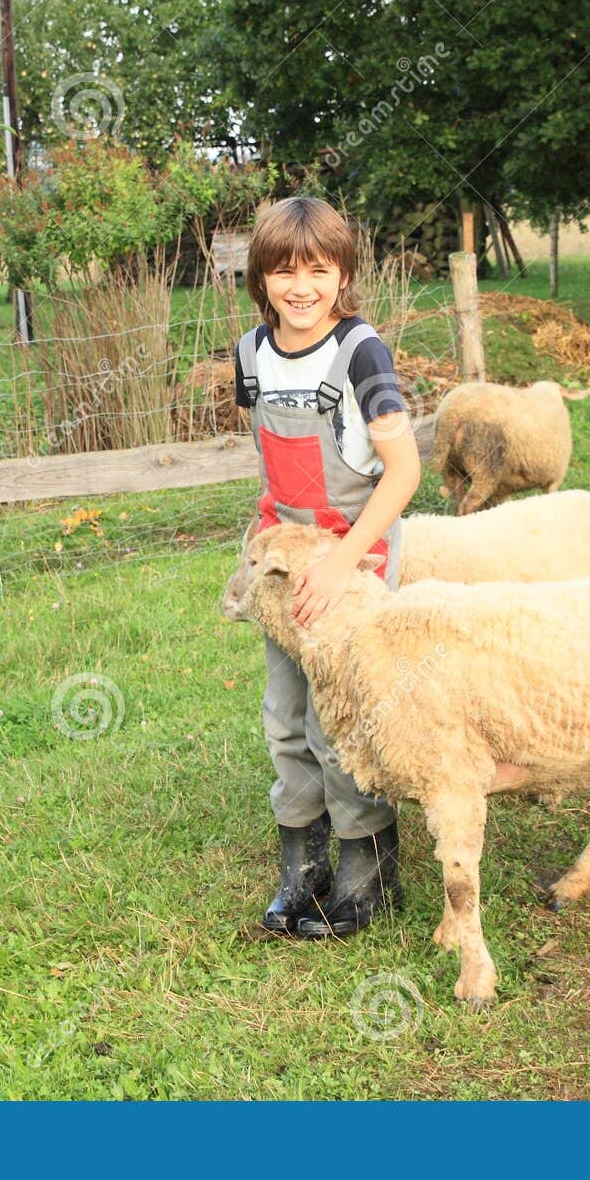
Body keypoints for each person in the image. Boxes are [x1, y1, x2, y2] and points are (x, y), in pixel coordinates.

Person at [231, 197, 422, 938]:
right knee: (285, 718)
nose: (300, 286)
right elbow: (271, 456)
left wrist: (343, 563)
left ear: (343, 275)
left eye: (318, 269)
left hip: (354, 557)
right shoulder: (253, 353)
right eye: (283, 270)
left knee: (337, 720)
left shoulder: (360, 352)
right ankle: (302, 868)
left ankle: (366, 869)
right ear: (260, 278)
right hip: (289, 562)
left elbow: (402, 469)